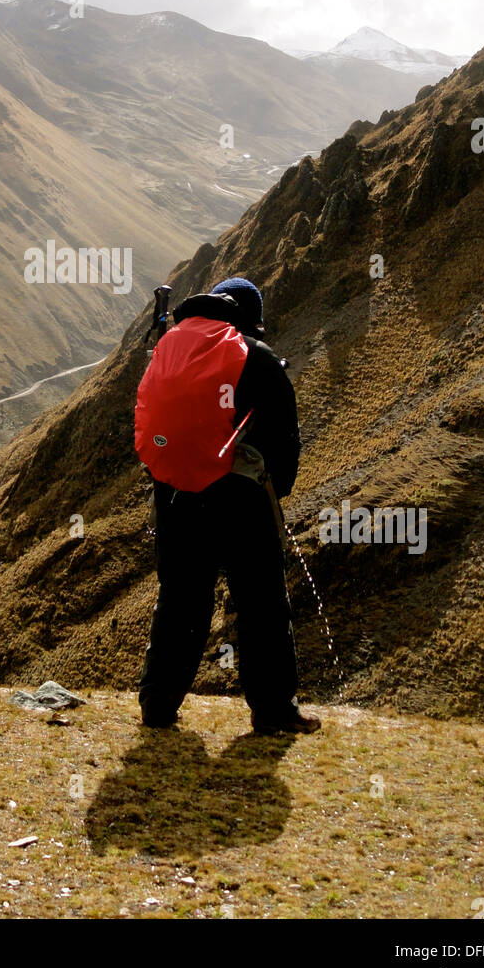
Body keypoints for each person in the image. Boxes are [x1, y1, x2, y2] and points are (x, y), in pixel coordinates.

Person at [137, 275, 321, 735]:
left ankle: (157, 706)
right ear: (249, 318)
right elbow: (285, 441)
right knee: (261, 605)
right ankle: (273, 710)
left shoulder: (169, 350)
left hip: (175, 496)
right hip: (240, 502)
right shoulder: (256, 359)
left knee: (181, 601)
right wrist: (272, 492)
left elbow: (152, 426)